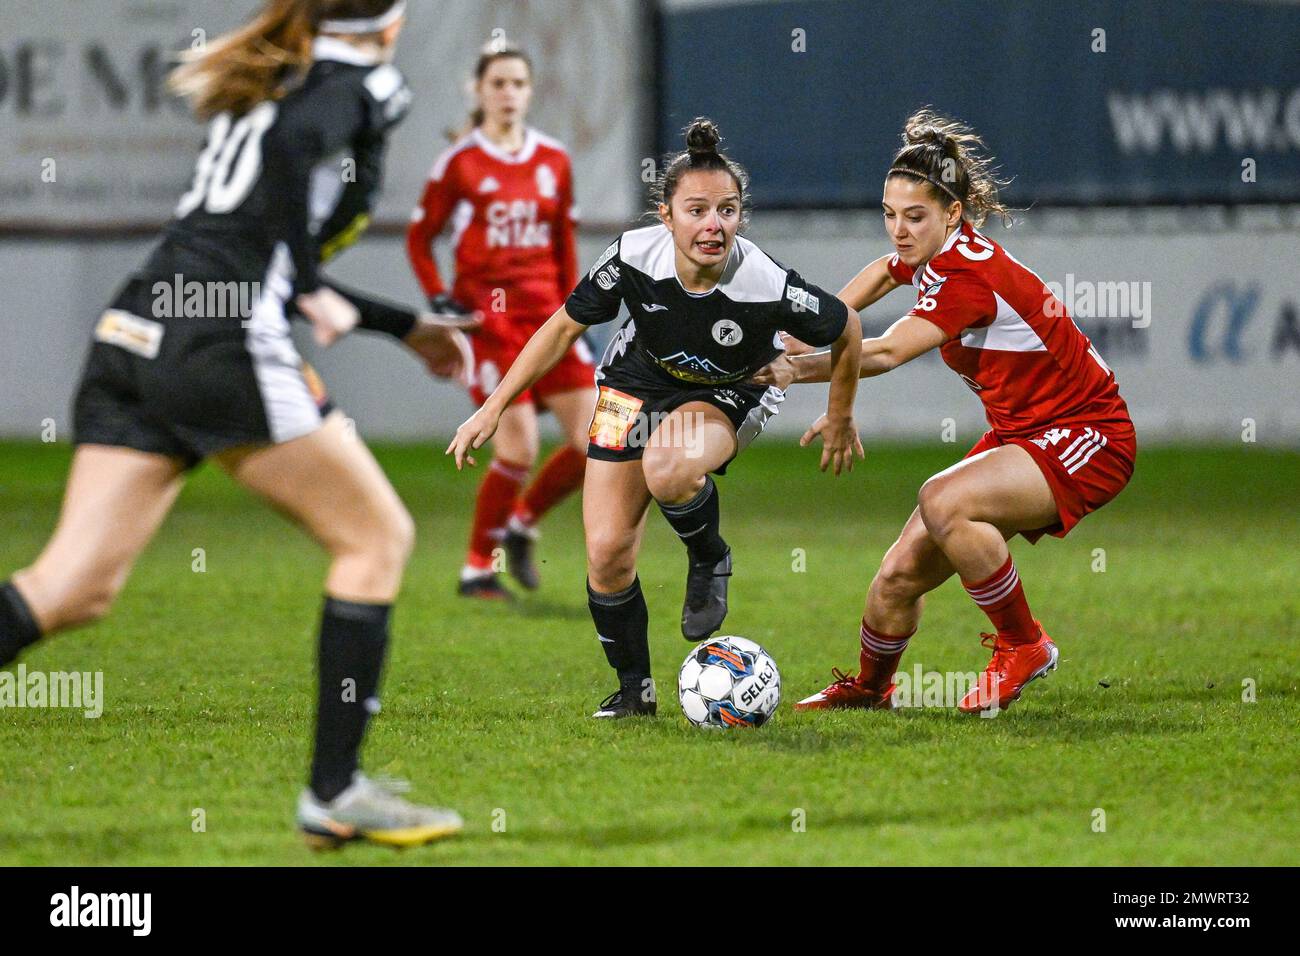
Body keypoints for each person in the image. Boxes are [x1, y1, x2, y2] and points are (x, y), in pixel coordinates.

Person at [0, 0, 466, 848]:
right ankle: (335, 792)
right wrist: (321, 287)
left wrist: (398, 327)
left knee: (68, 589)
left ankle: (337, 791)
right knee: (376, 541)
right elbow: (289, 199)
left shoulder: (279, 76)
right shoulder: (356, 82)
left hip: (138, 324)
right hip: (217, 340)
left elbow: (261, 242)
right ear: (391, 22)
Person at [448, 119, 864, 719]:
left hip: (728, 391)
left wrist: (839, 413)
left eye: (727, 210)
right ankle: (635, 693)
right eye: (696, 210)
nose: (713, 225)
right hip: (634, 386)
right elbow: (565, 326)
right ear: (666, 216)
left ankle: (708, 556)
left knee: (669, 468)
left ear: (741, 217)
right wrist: (495, 405)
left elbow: (845, 324)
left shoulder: (763, 282)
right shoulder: (632, 256)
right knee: (607, 556)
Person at [756, 110, 1136, 714]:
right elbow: (885, 273)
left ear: (952, 213)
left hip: (1087, 435)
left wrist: (791, 368)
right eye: (889, 214)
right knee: (896, 578)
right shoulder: (936, 251)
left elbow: (881, 353)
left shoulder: (966, 276)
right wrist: (816, 325)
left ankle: (1024, 645)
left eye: (914, 217)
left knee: (943, 499)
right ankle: (871, 690)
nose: (898, 231)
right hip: (1021, 435)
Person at [407, 39, 596, 599]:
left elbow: (562, 240)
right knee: (516, 449)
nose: (509, 93)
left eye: (518, 83)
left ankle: (521, 524)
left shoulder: (553, 159)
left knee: (596, 442)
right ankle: (476, 567)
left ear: (530, 92)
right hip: (491, 324)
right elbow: (420, 238)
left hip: (549, 316)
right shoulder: (460, 162)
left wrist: (575, 309)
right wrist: (439, 296)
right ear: (480, 90)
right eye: (498, 83)